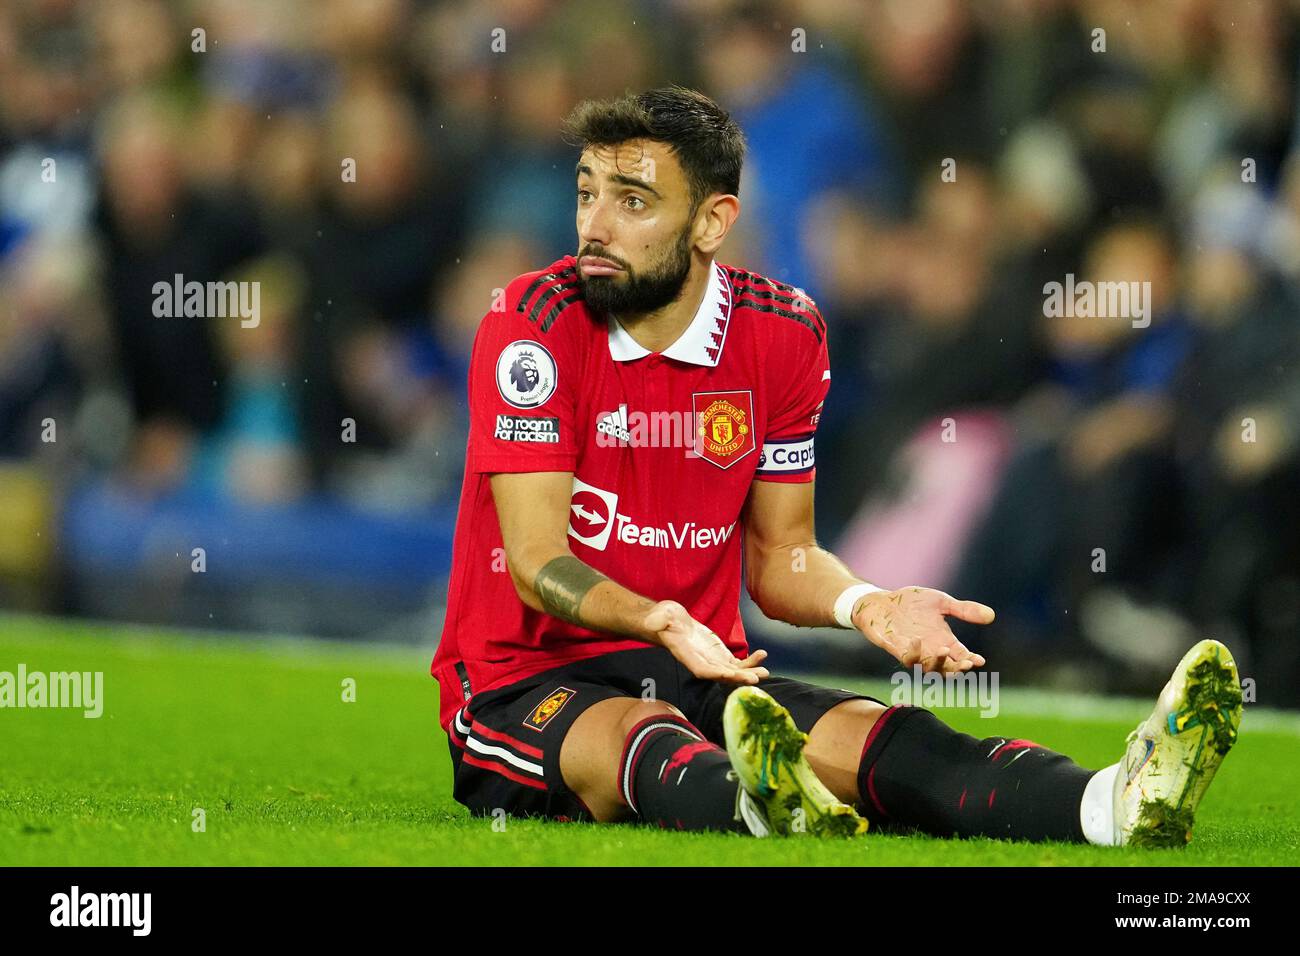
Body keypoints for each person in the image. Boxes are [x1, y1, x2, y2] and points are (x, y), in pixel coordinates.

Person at [429, 87, 1241, 846]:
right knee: (634, 738)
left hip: (696, 663)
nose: (594, 225)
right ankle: (761, 805)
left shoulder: (783, 334)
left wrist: (865, 604)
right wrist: (660, 617)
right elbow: (535, 564)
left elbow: (782, 561)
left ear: (713, 222)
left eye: (632, 200)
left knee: (878, 736)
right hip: (522, 676)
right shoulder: (532, 326)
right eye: (586, 192)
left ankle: (1114, 801)